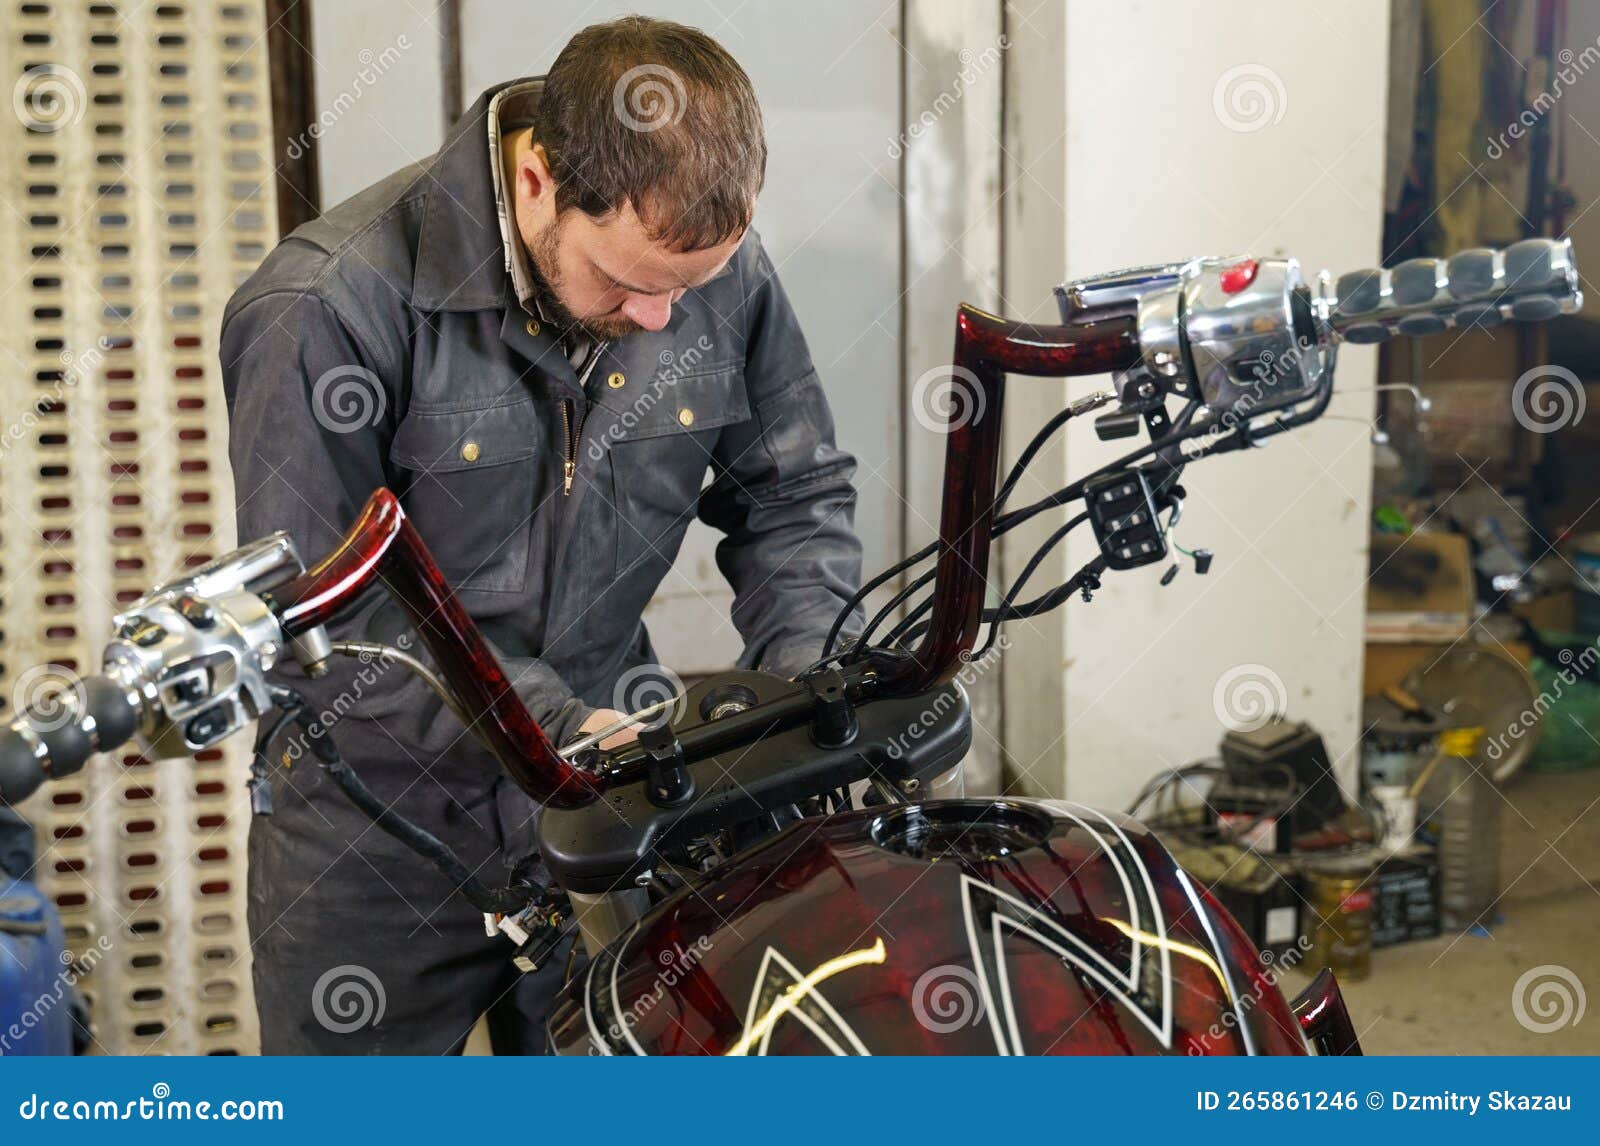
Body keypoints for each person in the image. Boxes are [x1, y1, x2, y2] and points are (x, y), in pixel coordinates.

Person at [221, 15, 861, 1054]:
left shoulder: (708, 273)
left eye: (685, 288)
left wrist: (805, 696)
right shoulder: (326, 307)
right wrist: (561, 727)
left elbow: (792, 494)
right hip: (375, 830)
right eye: (625, 284)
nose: (661, 318)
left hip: (607, 805)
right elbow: (320, 623)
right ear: (536, 183)